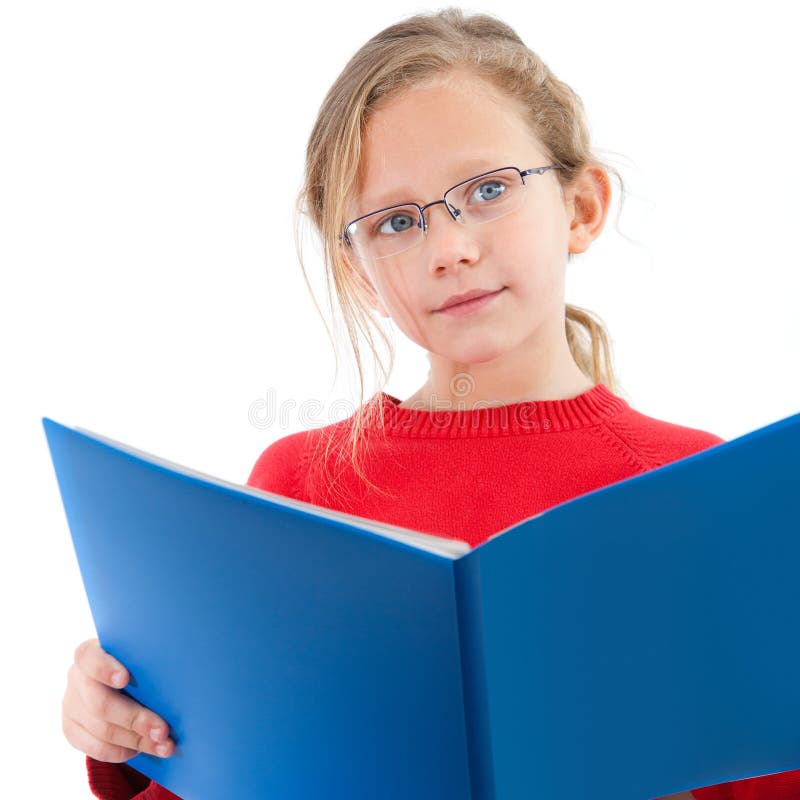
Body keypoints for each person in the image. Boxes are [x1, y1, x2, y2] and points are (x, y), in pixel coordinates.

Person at [60, 7, 800, 800]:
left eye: (488, 190)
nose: (449, 249)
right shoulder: (298, 487)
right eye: (397, 222)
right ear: (359, 272)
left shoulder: (697, 484)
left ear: (582, 207)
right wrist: (128, 733)